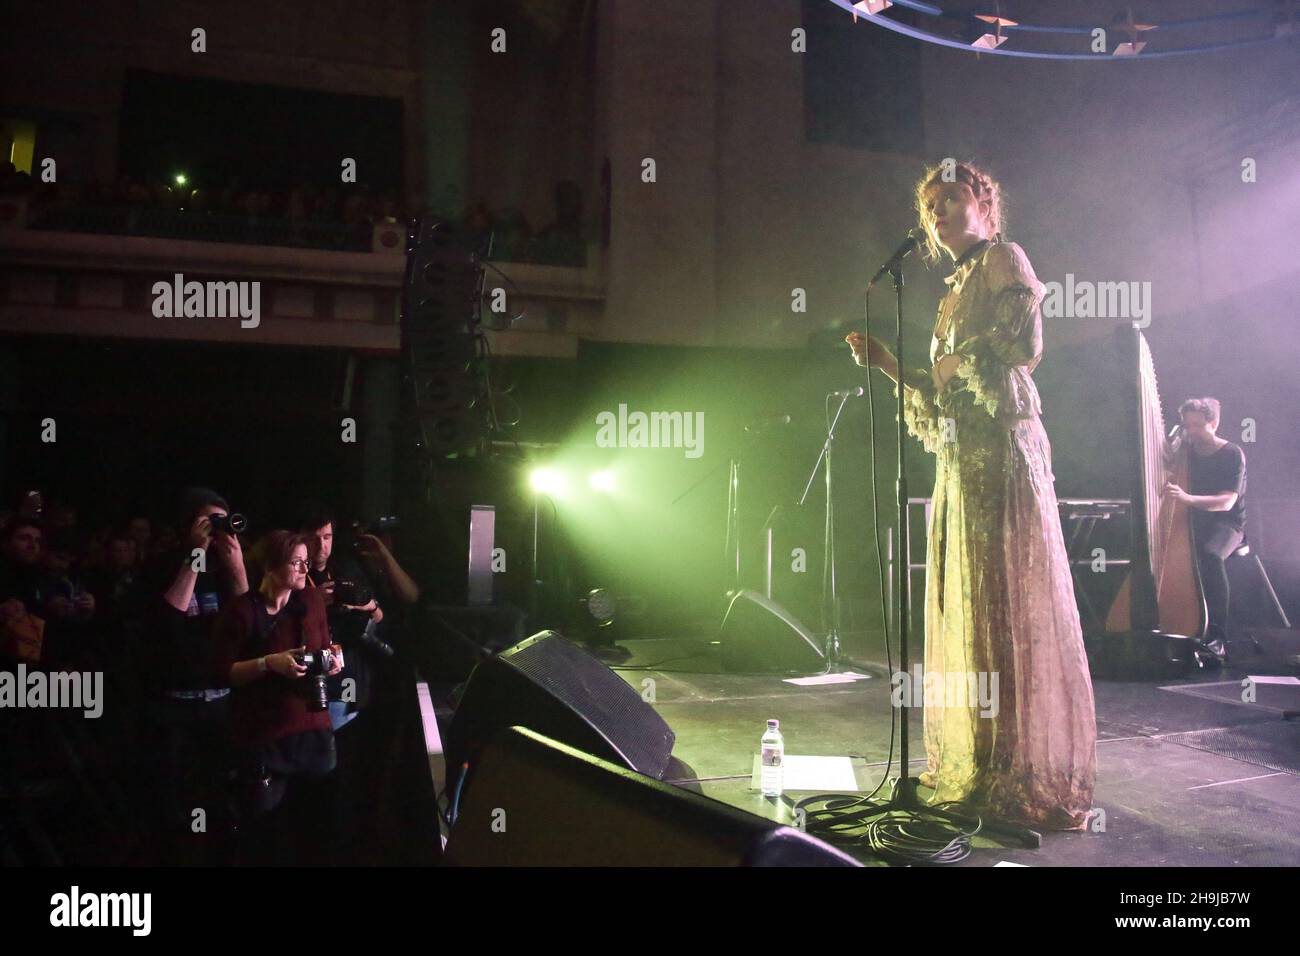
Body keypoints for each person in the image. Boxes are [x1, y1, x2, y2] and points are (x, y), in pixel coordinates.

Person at [846, 160, 1096, 830]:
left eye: (950, 198)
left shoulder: (1004, 259)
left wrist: (968, 356)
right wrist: (889, 366)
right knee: (972, 604)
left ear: (984, 203)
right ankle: (984, 762)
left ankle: (1018, 767)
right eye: (930, 204)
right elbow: (940, 391)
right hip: (961, 459)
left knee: (1006, 604)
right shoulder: (951, 288)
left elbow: (1023, 345)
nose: (938, 212)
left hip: (1002, 454)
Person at [213, 530, 341, 865]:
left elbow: (326, 644)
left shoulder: (311, 602)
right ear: (270, 567)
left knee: (315, 832)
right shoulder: (241, 612)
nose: (304, 569)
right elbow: (220, 672)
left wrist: (333, 659)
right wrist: (269, 663)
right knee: (267, 837)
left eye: (306, 562)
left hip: (313, 731)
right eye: (296, 562)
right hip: (265, 739)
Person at [1164, 397, 1246, 662]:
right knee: (1173, 554)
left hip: (1228, 525)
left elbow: (1226, 502)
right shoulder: (1184, 450)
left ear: (1215, 423)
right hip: (1192, 522)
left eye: (1198, 425)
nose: (1192, 431)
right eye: (1187, 425)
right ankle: (1178, 624)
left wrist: (1187, 498)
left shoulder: (1232, 453)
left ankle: (1218, 638)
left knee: (1210, 555)